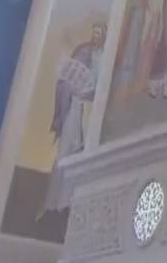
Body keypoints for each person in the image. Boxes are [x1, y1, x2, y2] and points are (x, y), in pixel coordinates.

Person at [38, 21, 105, 217]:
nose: (95, 36)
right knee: (64, 154)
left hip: (92, 111)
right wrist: (71, 92)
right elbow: (65, 81)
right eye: (94, 32)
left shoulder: (106, 57)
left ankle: (68, 204)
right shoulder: (83, 52)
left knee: (81, 156)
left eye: (99, 33)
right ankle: (53, 204)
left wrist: (93, 93)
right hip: (75, 107)